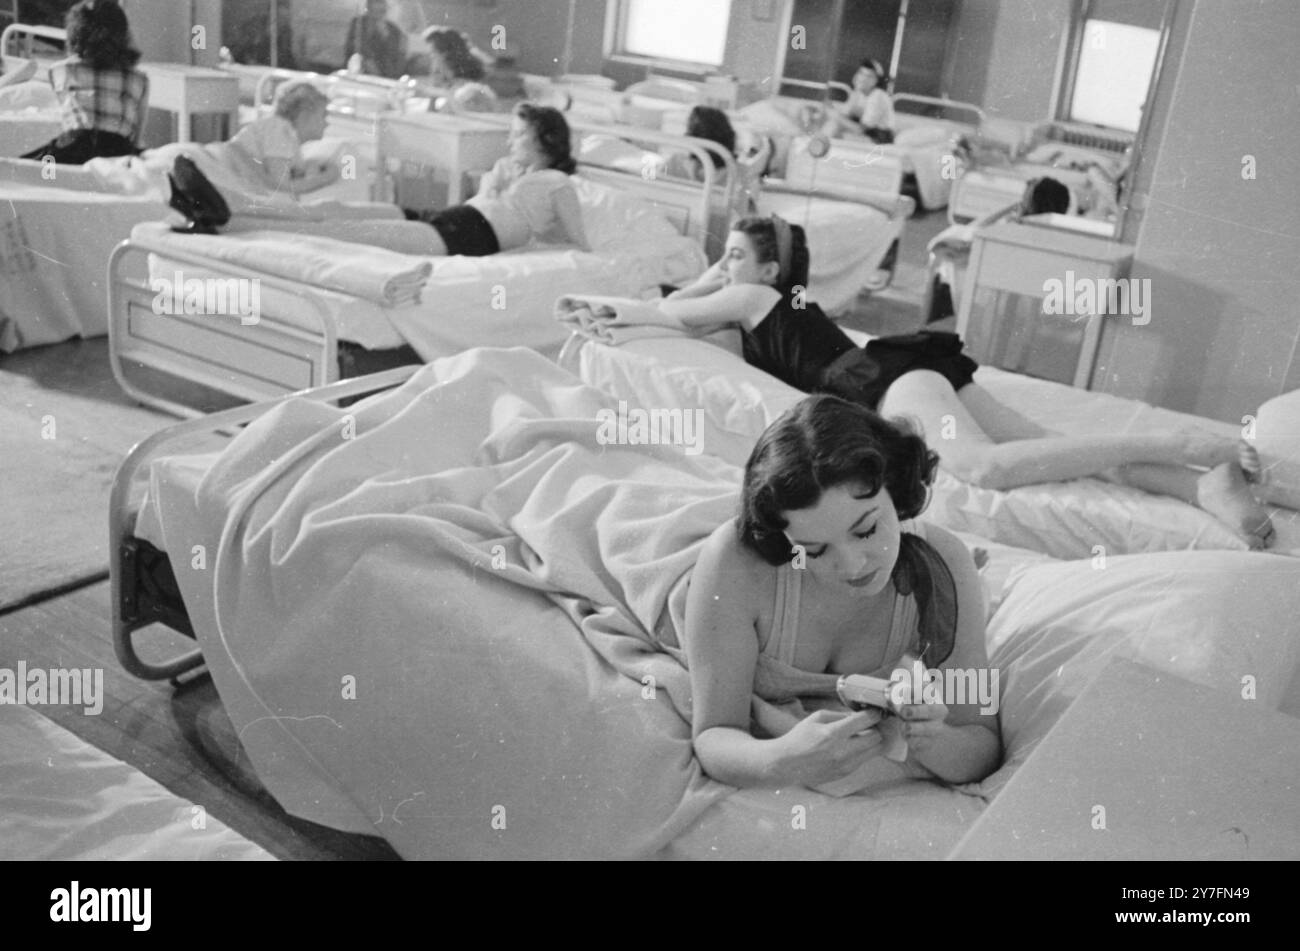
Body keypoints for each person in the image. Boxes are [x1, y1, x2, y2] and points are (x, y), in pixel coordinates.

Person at [659, 215, 1274, 548]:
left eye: (735, 255)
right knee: (1053, 450)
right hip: (902, 367)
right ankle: (1202, 488)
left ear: (768, 269)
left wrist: (712, 273)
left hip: (881, 380)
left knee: (984, 467)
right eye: (727, 256)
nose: (726, 265)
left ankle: (1180, 445)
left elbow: (668, 311)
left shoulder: (750, 294)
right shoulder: (757, 305)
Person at [682, 393, 999, 788]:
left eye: (866, 529)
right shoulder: (734, 563)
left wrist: (935, 740)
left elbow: (983, 741)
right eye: (815, 549)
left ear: (896, 491)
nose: (853, 565)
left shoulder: (947, 567)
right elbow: (713, 734)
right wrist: (778, 761)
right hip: (682, 567)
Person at [406, 103, 588, 256]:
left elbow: (579, 244)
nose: (509, 143)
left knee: (387, 237)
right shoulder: (504, 167)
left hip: (476, 234)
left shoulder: (557, 182)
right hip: (457, 218)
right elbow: (484, 198)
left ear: (546, 139)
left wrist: (530, 250)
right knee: (392, 216)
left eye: (518, 134)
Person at [21, 0, 150, 164]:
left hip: (73, 147)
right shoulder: (140, 79)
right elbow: (137, 137)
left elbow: (67, 118)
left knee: (22, 170)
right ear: (123, 34)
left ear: (75, 33)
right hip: (119, 153)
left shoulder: (61, 70)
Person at [420, 27, 499, 113]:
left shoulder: (462, 94)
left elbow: (433, 109)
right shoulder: (474, 81)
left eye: (433, 53)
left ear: (444, 54)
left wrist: (432, 97)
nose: (431, 58)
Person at [834, 59, 894, 144]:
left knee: (836, 134)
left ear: (876, 81)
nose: (862, 78)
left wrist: (835, 117)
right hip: (866, 133)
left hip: (880, 138)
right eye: (861, 73)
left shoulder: (878, 96)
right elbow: (845, 113)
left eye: (869, 76)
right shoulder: (859, 92)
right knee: (833, 127)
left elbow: (861, 129)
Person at [344, 0, 407, 80]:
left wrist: (385, 35)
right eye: (374, 9)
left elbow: (397, 59)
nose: (378, 13)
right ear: (368, 7)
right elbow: (356, 49)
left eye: (381, 10)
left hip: (388, 81)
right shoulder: (359, 24)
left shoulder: (394, 31)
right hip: (360, 79)